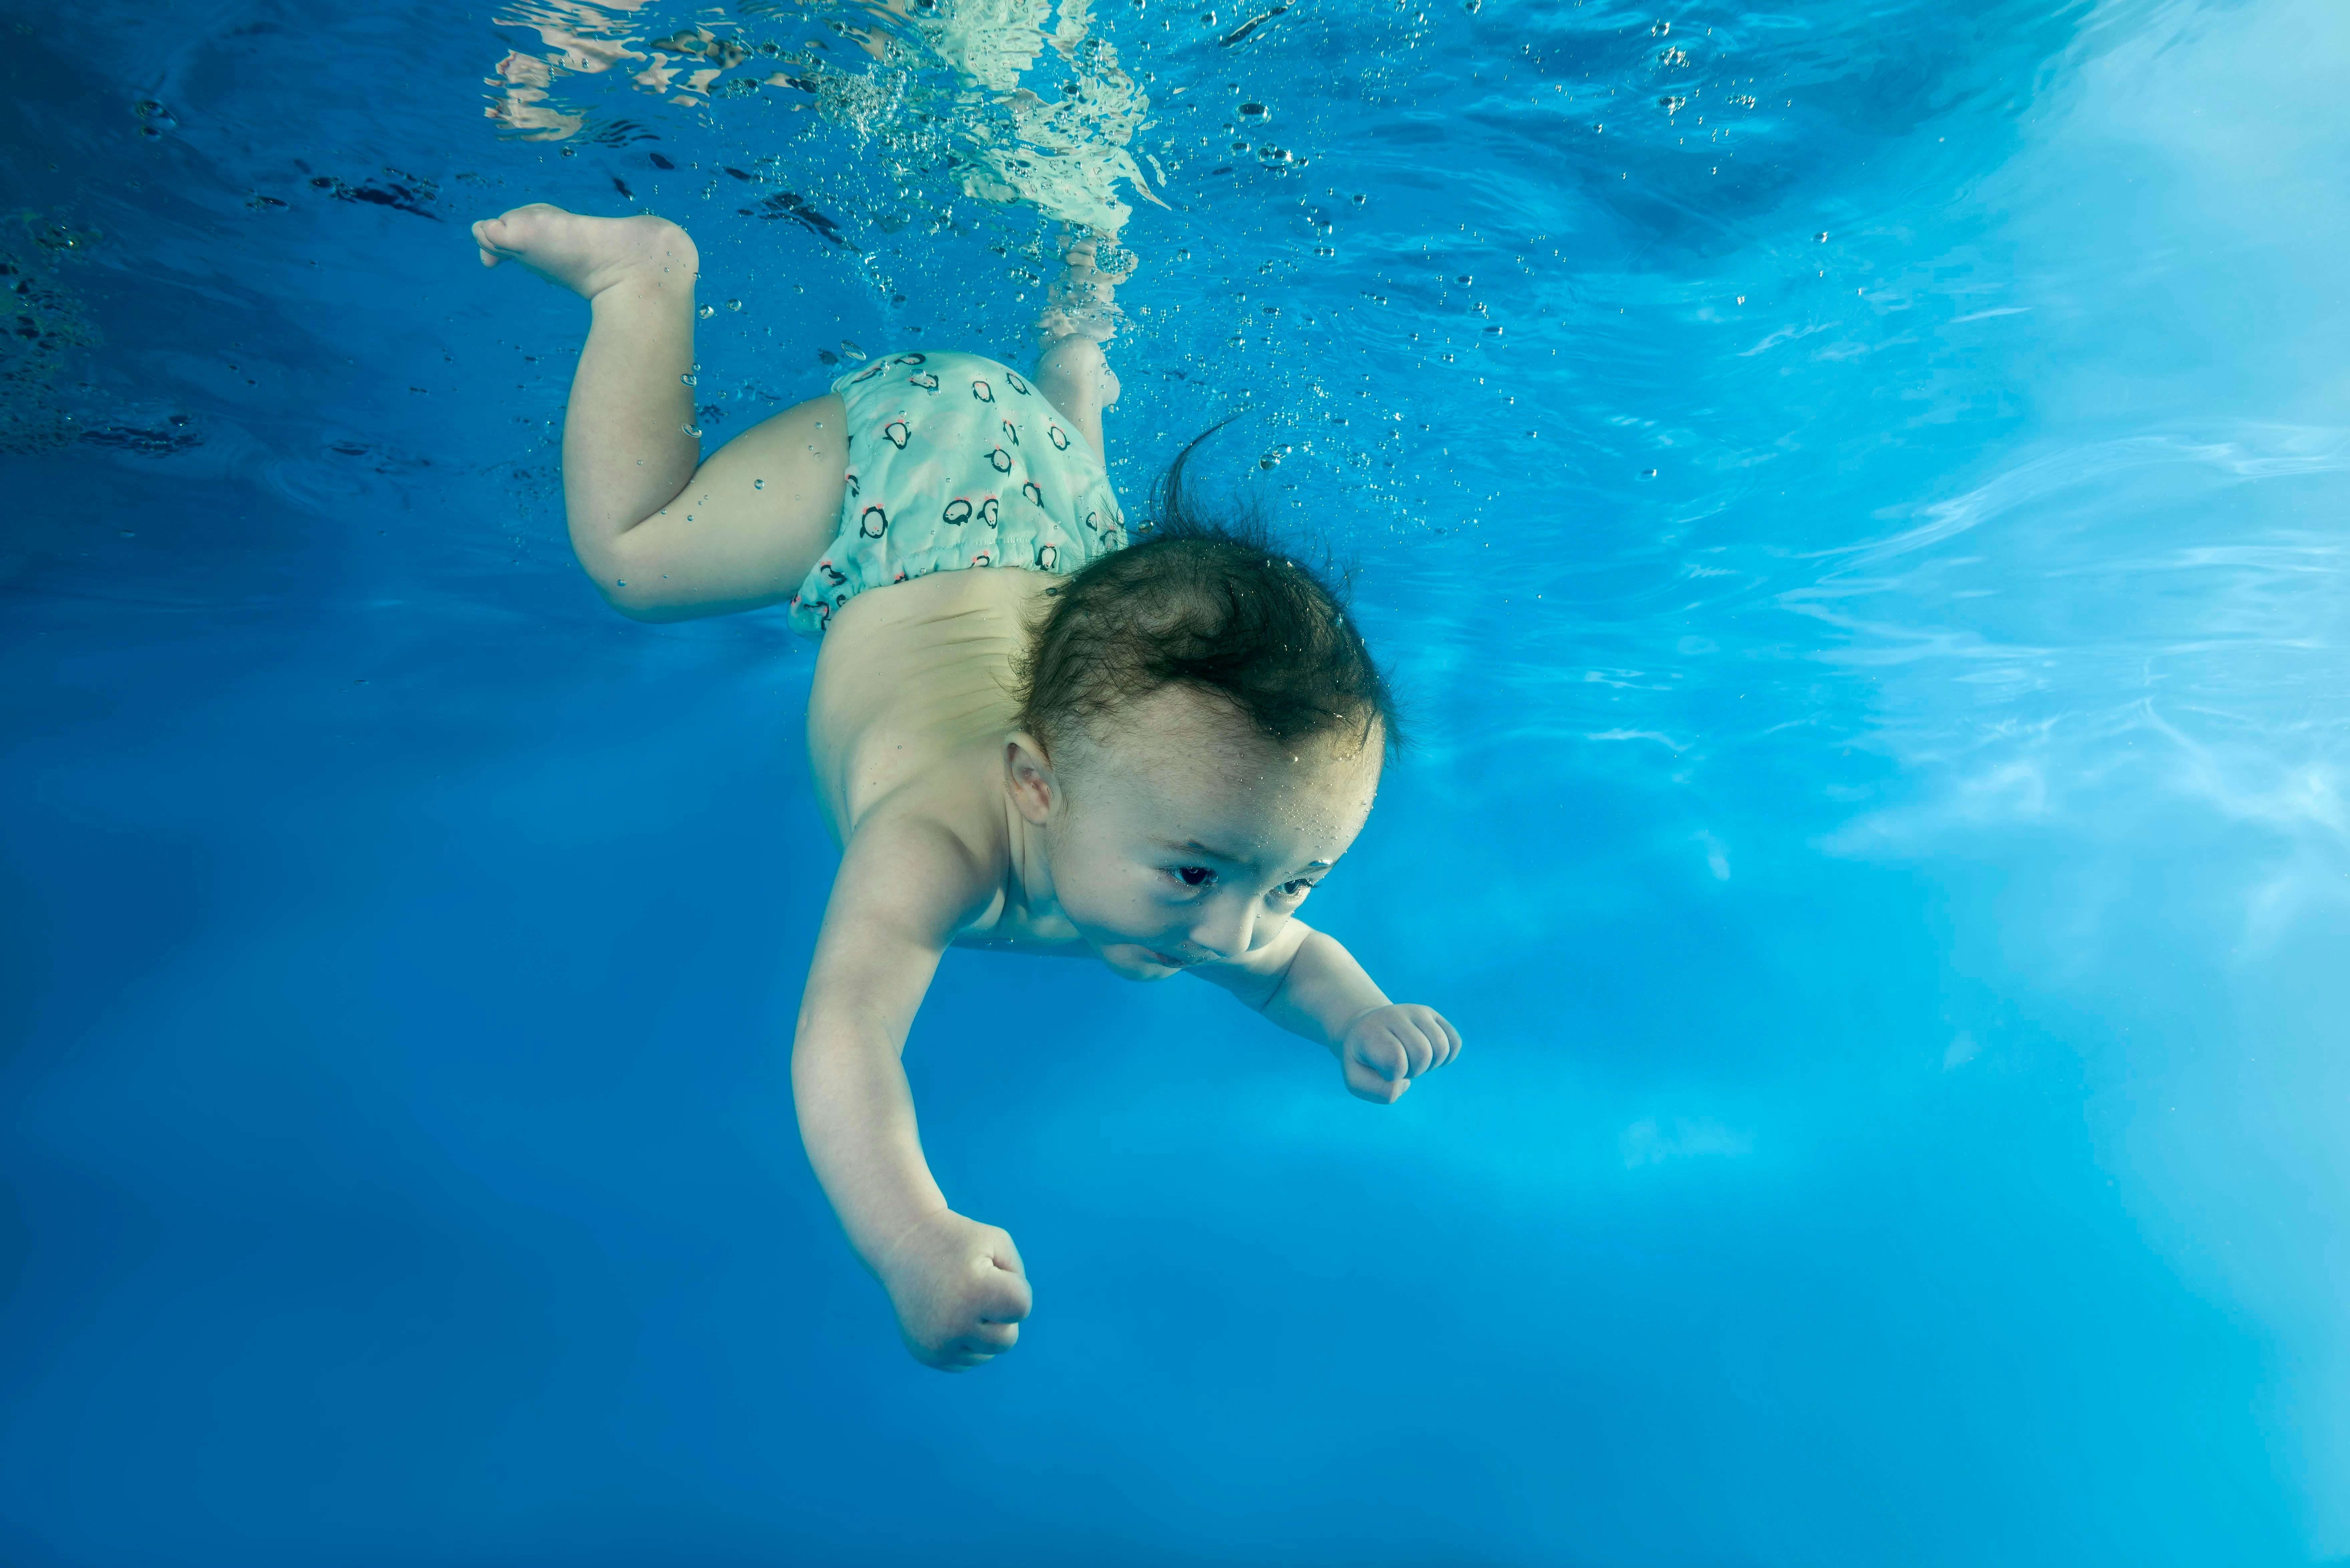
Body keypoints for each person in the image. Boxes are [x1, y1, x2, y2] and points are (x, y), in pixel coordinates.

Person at [470, 203, 1463, 1370]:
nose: (1237, 930)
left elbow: (1289, 961)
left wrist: (1356, 1014)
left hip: (1062, 528)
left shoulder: (1174, 834)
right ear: (1031, 787)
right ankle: (644, 282)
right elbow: (845, 1038)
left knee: (1118, 619)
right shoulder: (933, 841)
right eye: (1200, 872)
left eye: (1295, 879)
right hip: (913, 475)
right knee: (634, 560)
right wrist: (910, 1238)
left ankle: (1072, 372)